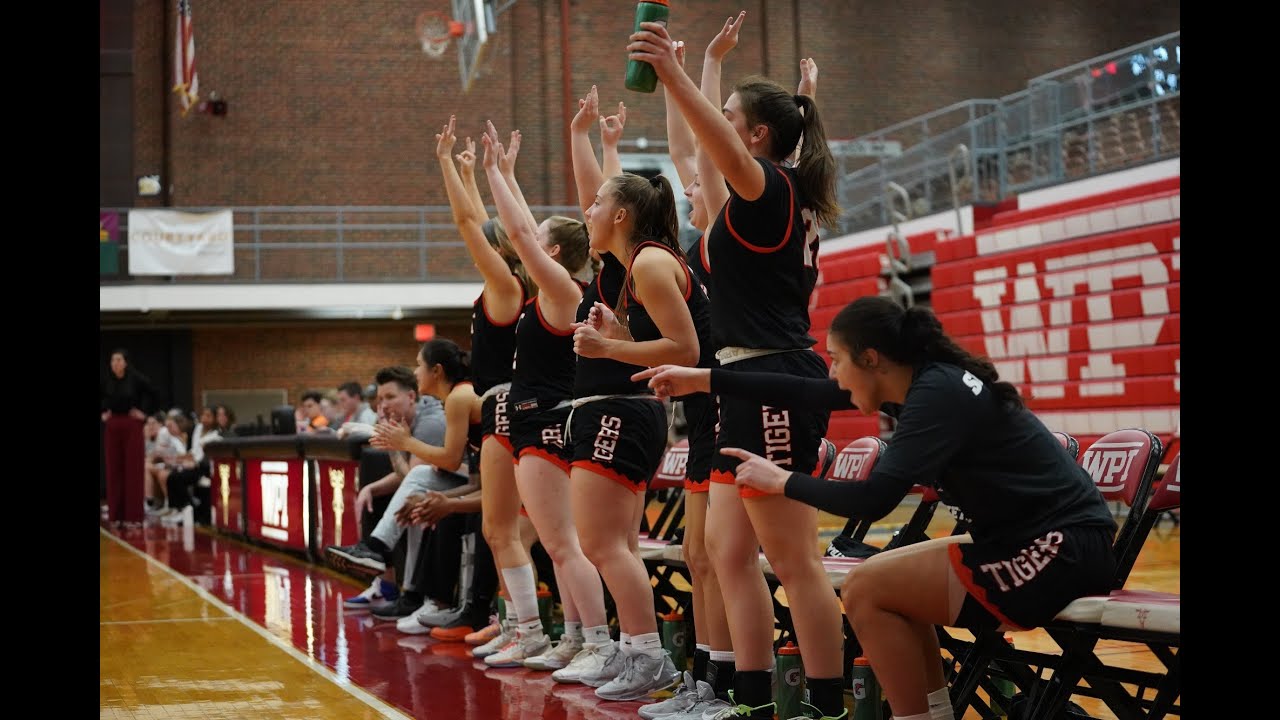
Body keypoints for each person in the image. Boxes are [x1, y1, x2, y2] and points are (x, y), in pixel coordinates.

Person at [635, 296, 1120, 720]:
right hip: (1030, 539)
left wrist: (783, 481)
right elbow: (803, 391)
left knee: (868, 589)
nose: (832, 373)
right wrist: (703, 380)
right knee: (883, 579)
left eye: (837, 359)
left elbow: (875, 499)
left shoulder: (935, 395)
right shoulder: (923, 384)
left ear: (871, 359)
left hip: (1061, 550)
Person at [629, 16, 846, 720]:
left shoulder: (770, 192)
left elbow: (706, 136)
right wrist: (709, 72)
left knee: (794, 560)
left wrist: (675, 72)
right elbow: (698, 142)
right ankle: (742, 700)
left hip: (776, 377)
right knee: (725, 556)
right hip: (739, 384)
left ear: (755, 139)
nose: (714, 135)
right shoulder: (747, 206)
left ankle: (826, 705)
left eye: (732, 122)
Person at [557, 83, 709, 701]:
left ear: (618, 217)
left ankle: (648, 658)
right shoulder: (628, 262)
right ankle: (636, 651)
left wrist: (609, 348)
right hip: (642, 410)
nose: (584, 209)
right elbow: (612, 194)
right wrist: (586, 138)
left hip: (636, 408)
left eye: (595, 205)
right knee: (611, 544)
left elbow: (688, 350)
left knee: (601, 543)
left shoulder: (648, 262)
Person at [433, 116, 554, 663]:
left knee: (502, 528)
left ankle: (527, 628)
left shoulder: (504, 286)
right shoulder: (513, 279)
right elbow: (483, 223)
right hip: (514, 402)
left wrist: (445, 164)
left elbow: (467, 223)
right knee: (511, 530)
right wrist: (475, 174)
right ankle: (517, 624)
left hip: (506, 403)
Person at [481, 119, 599, 670]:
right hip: (544, 418)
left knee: (565, 545)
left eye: (537, 239)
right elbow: (528, 230)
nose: (524, 240)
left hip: (548, 419)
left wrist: (494, 177)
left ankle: (594, 643)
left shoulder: (560, 289)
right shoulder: (559, 286)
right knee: (561, 544)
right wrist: (504, 173)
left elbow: (522, 235)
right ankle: (574, 639)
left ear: (552, 251)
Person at [101, 349, 156, 525]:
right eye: (112, 360)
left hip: (132, 424)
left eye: (118, 360)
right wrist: (103, 413)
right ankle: (116, 515)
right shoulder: (106, 380)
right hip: (113, 424)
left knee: (133, 469)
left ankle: (134, 516)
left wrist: (145, 414)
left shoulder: (136, 379)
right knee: (113, 468)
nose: (115, 363)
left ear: (125, 362)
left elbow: (154, 393)